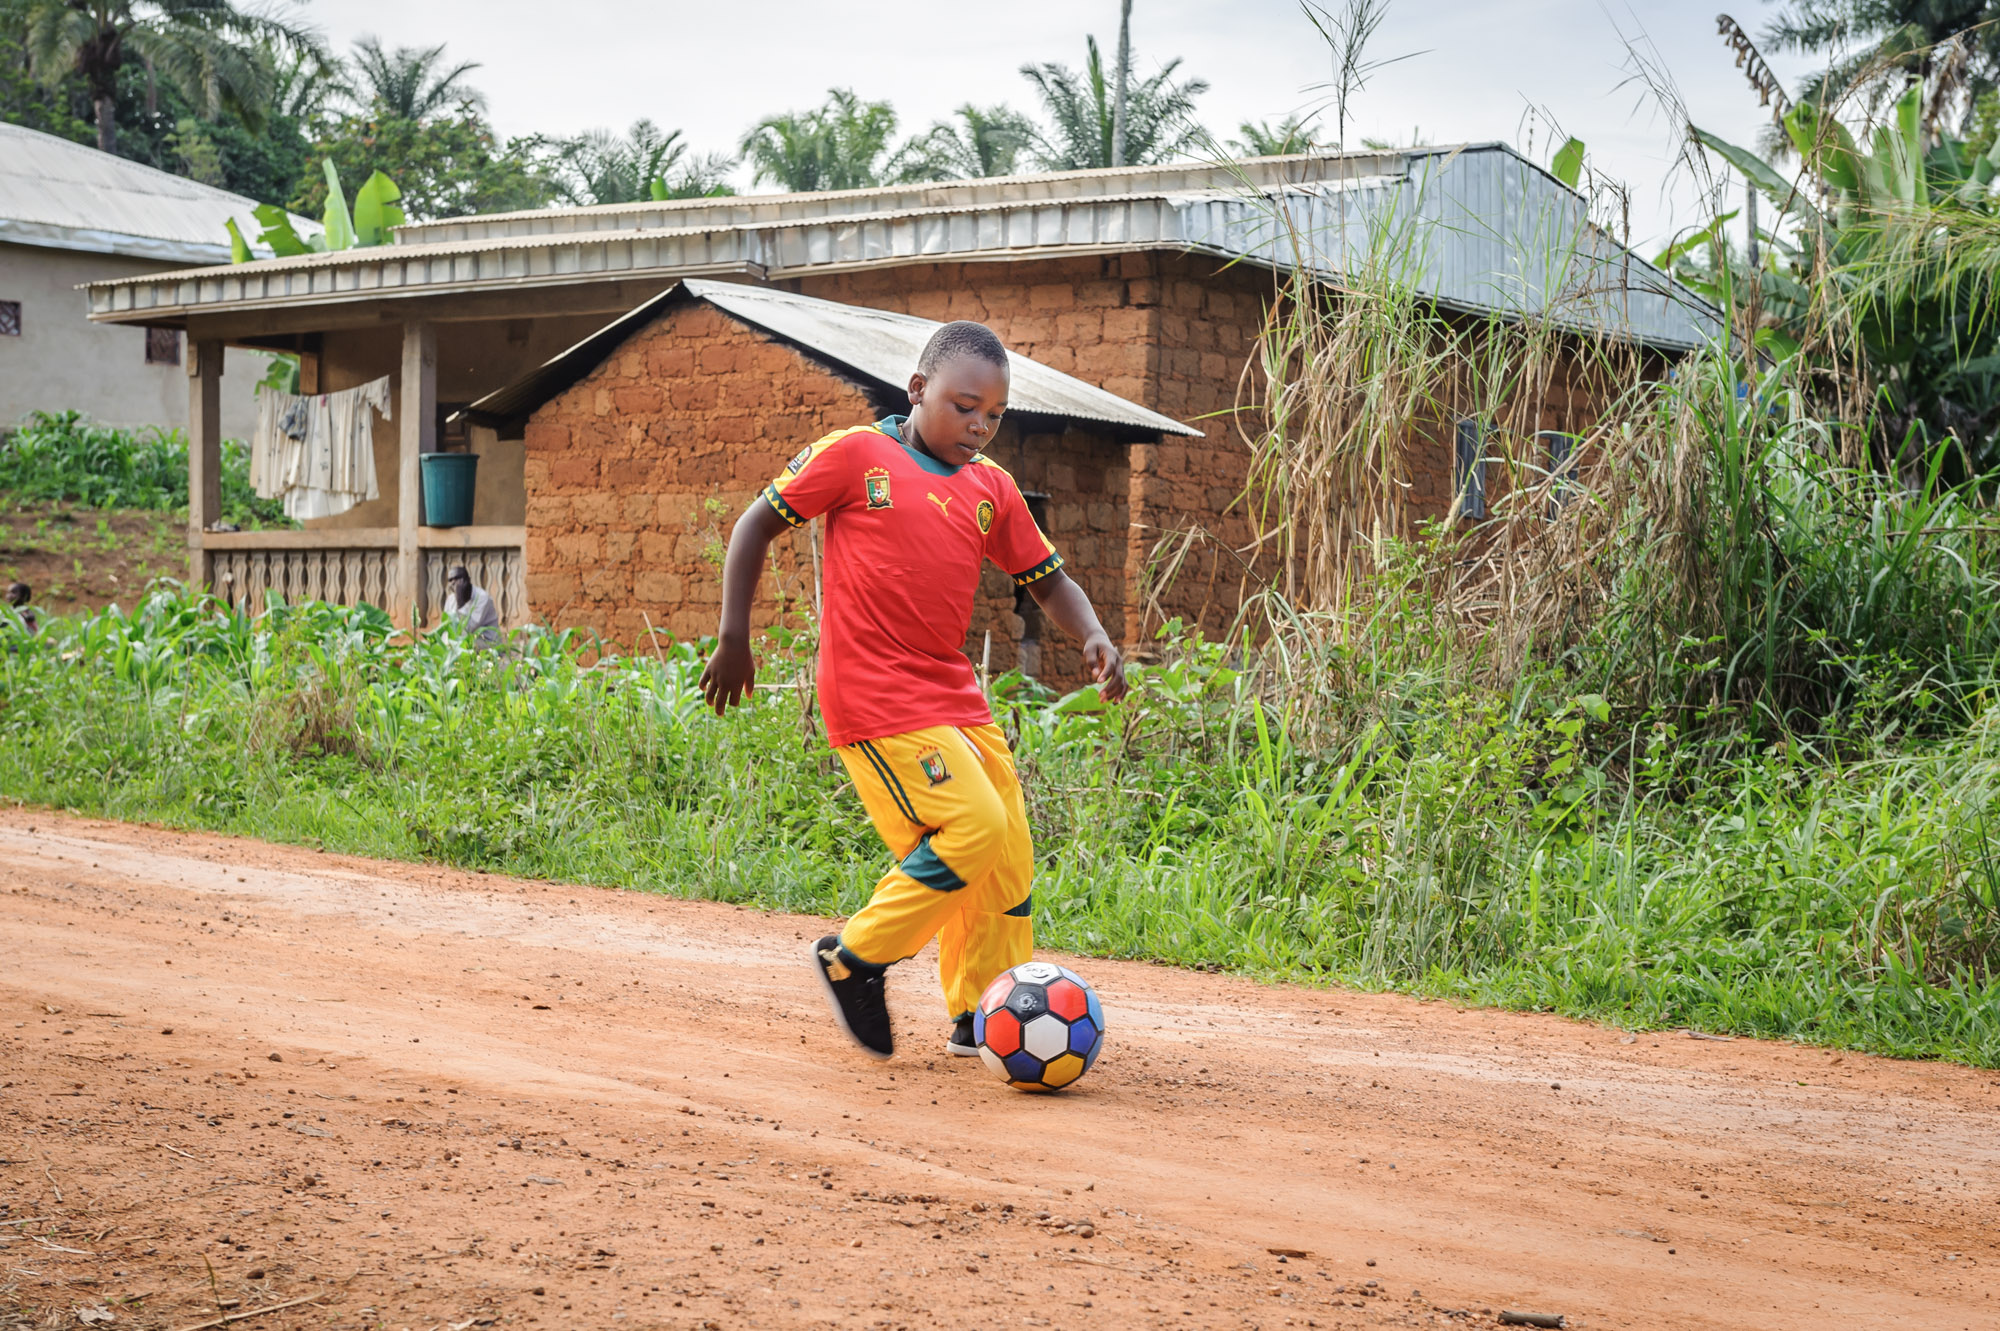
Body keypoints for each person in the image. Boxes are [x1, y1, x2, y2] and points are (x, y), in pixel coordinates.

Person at [700, 320, 1128, 1061]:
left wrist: (1091, 631)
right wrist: (734, 637)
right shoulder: (858, 454)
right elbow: (753, 526)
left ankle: (980, 1009)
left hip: (952, 696)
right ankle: (854, 957)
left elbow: (1048, 578)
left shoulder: (990, 488)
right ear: (918, 389)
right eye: (965, 406)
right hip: (874, 694)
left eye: (995, 415)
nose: (980, 426)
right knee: (971, 826)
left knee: (1009, 851)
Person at [441, 565, 501, 647]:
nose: (454, 583)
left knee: (462, 644)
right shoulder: (451, 600)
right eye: (450, 580)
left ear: (467, 580)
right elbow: (445, 626)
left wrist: (460, 603)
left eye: (458, 578)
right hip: (463, 639)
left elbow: (467, 629)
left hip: (487, 641)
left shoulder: (482, 598)